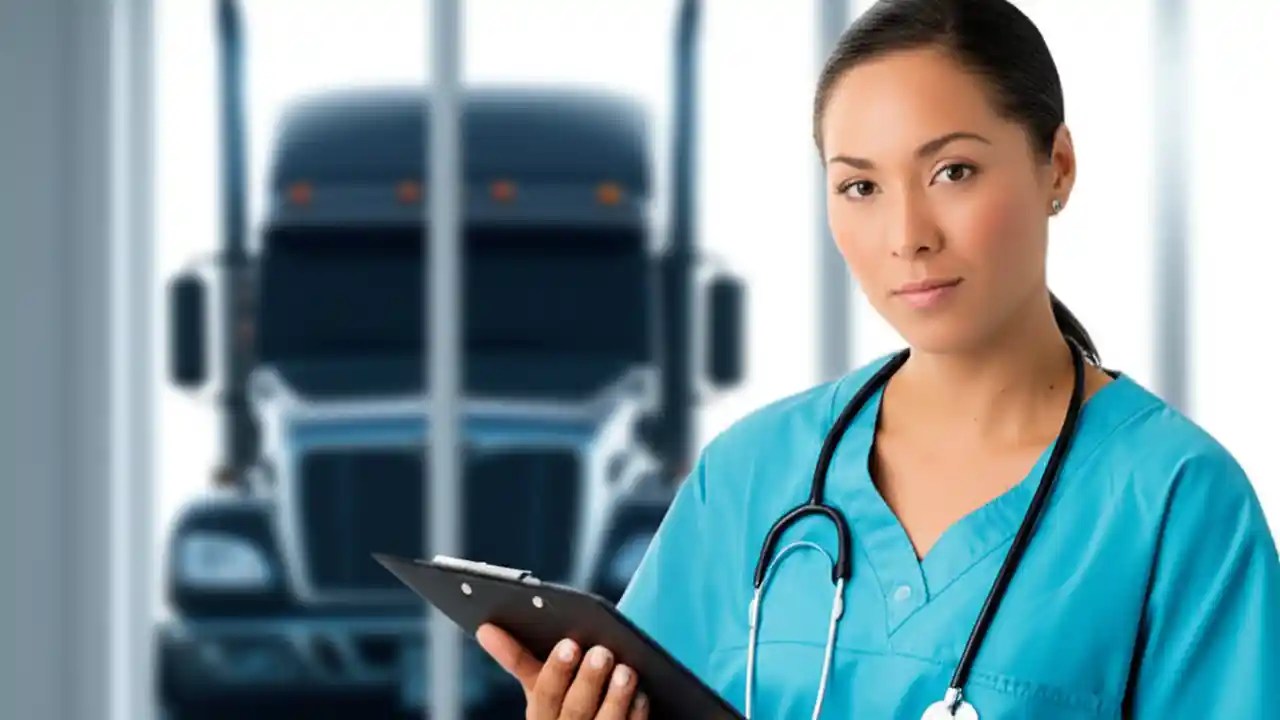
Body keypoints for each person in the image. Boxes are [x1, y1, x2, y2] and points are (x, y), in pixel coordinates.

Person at [476, 0, 1280, 717]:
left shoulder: (1176, 501)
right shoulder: (749, 477)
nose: (908, 235)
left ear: (1056, 168)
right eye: (860, 187)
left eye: (952, 171)